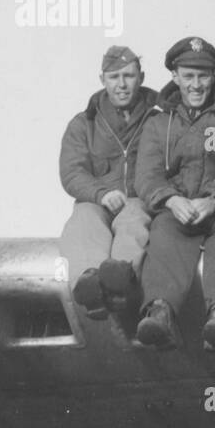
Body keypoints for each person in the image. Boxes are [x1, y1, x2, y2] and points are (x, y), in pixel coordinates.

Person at [134, 37, 215, 353]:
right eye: (188, 76)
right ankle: (160, 311)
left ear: (214, 75)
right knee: (163, 232)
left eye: (203, 76)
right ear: (175, 77)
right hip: (179, 206)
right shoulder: (159, 120)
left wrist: (214, 198)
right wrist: (171, 200)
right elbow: (147, 174)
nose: (196, 85)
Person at [57, 46, 158, 318]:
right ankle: (89, 281)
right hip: (98, 201)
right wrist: (100, 194)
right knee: (83, 218)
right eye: (114, 77)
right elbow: (72, 172)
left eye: (129, 76)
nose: (122, 84)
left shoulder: (159, 120)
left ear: (142, 77)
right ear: (102, 79)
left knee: (133, 221)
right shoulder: (83, 124)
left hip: (139, 200)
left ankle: (120, 282)